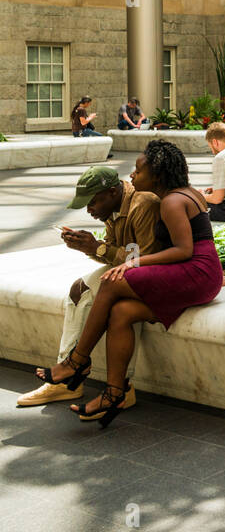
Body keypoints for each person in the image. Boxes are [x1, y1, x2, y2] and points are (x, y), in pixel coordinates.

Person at [33, 138, 225, 429]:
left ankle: (76, 362)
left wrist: (132, 263)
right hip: (198, 271)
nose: (132, 176)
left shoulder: (172, 201)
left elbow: (184, 250)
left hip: (196, 272)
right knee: (121, 312)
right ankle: (114, 394)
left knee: (111, 283)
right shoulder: (180, 194)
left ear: (157, 175)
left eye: (138, 171)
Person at [17, 165, 163, 408]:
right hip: (133, 272)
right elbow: (117, 253)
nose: (90, 210)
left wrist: (98, 248)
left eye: (93, 202)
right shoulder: (113, 210)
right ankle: (66, 378)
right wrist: (89, 247)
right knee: (79, 290)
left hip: (155, 275)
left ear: (113, 192)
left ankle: (119, 386)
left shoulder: (143, 204)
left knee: (121, 303)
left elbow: (144, 261)